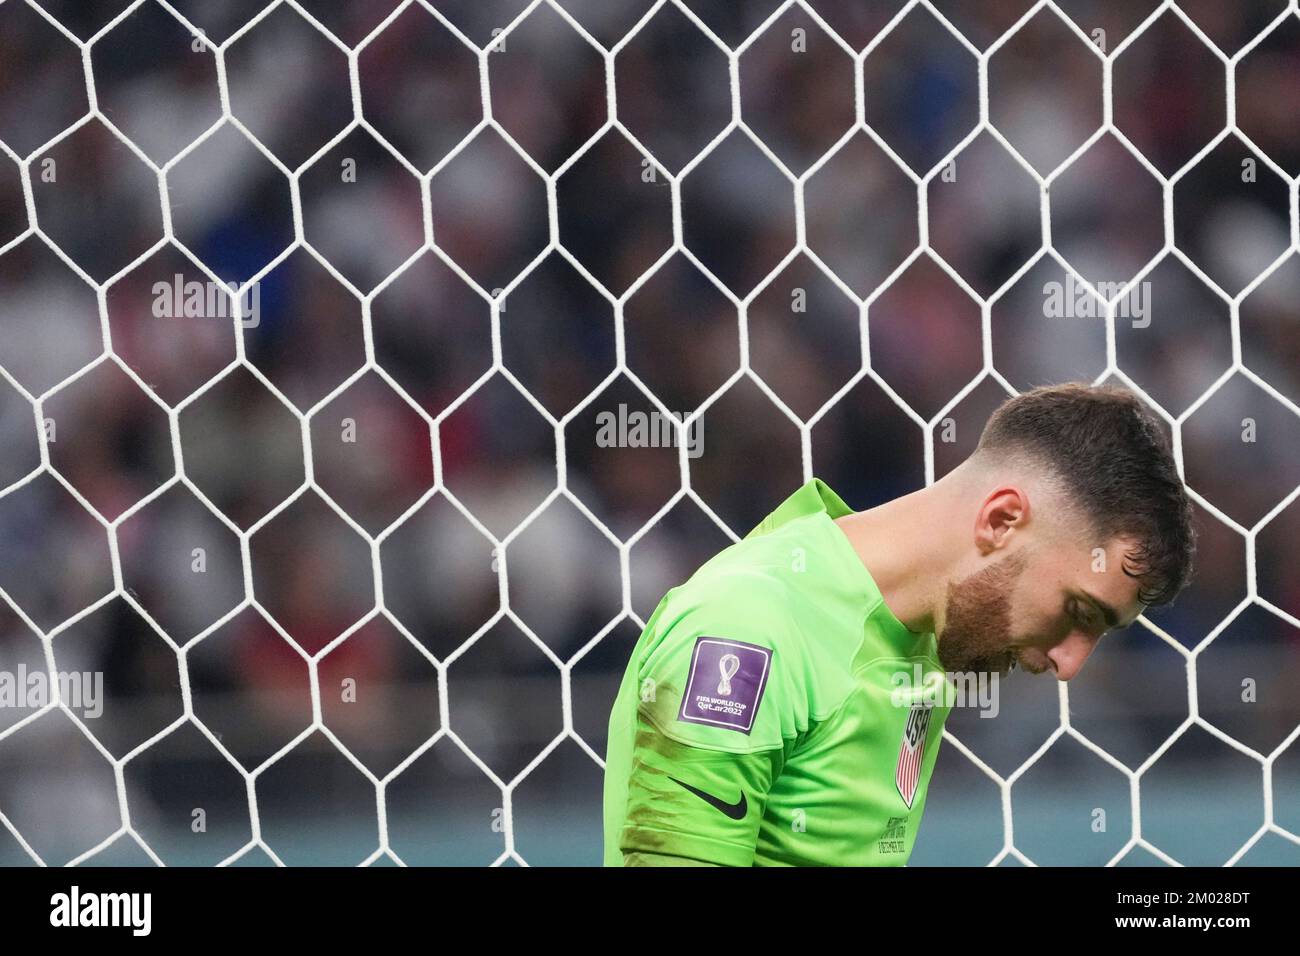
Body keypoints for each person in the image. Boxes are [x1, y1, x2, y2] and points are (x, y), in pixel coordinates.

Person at [602, 382, 1196, 866]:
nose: (1071, 664)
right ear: (1002, 520)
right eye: (1079, 612)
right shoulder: (748, 627)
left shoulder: (922, 645)